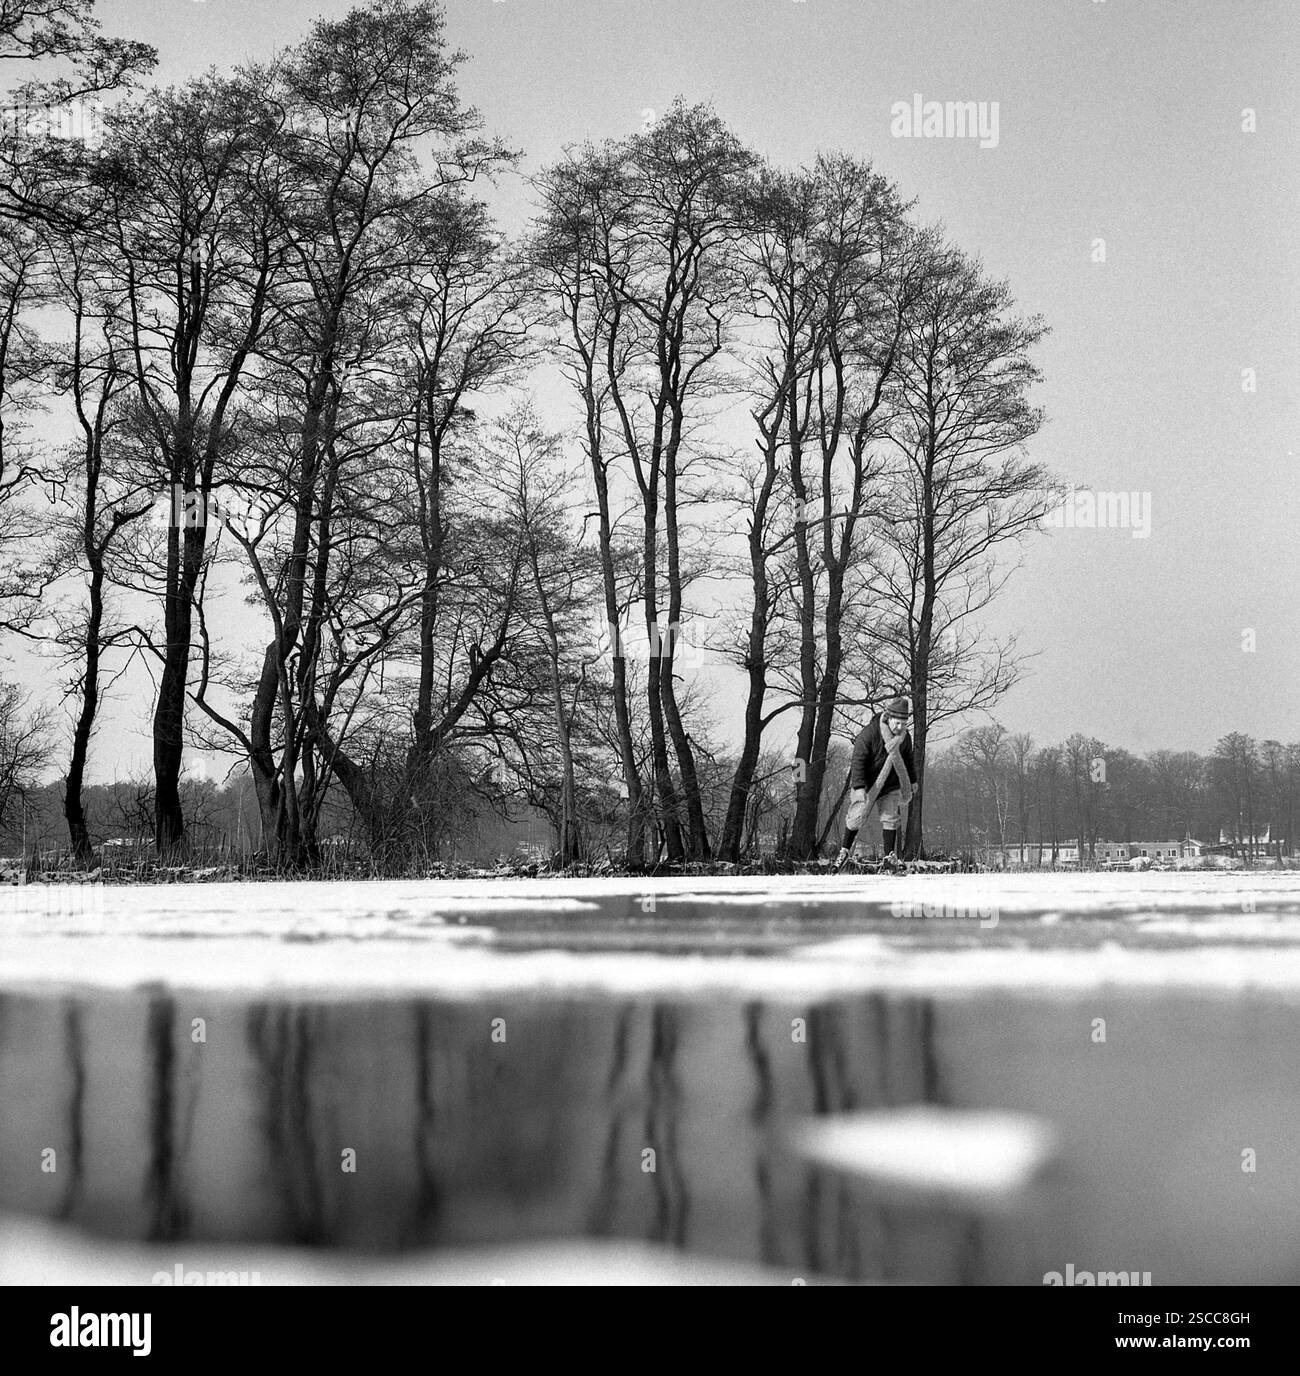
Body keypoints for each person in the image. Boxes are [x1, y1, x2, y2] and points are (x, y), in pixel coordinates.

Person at [834, 697, 919, 870]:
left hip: (891, 784)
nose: (900, 727)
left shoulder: (905, 737)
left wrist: (912, 780)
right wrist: (858, 787)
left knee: (891, 818)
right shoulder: (870, 734)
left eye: (904, 723)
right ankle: (844, 852)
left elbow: (908, 759)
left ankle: (889, 858)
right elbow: (857, 761)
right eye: (897, 723)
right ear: (888, 718)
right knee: (855, 818)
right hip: (867, 785)